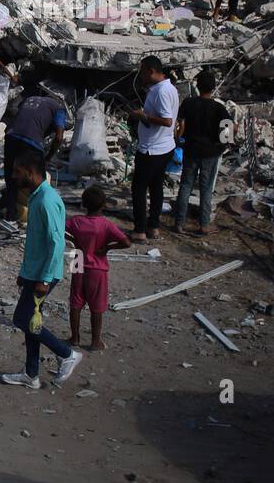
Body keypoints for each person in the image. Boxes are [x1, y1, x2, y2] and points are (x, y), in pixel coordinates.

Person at [1, 147, 83, 389]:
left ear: (30, 172)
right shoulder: (37, 195)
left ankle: (66, 354)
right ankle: (31, 374)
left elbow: (56, 242)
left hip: (44, 274)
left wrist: (45, 279)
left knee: (22, 319)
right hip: (34, 271)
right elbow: (36, 240)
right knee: (30, 320)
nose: (14, 176)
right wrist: (24, 273)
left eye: (18, 172)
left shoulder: (47, 200)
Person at [66, 186, 129, 351]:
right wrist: (107, 248)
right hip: (97, 267)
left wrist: (74, 240)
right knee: (97, 306)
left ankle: (75, 338)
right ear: (104, 205)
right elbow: (126, 242)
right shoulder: (107, 225)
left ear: (84, 204)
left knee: (76, 302)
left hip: (79, 260)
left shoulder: (75, 221)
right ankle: (95, 341)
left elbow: (59, 229)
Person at [0, 87, 67, 222]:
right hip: (31, 141)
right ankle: (37, 215)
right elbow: (58, 137)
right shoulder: (59, 108)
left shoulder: (29, 99)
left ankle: (10, 215)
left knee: (12, 176)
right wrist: (48, 157)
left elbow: (22, 117)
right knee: (36, 179)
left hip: (11, 136)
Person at [128, 55, 179, 242]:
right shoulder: (168, 88)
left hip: (152, 150)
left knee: (139, 189)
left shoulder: (161, 91)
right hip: (164, 147)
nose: (140, 76)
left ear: (151, 71)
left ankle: (140, 230)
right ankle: (153, 226)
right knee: (156, 187)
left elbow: (167, 120)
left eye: (142, 71)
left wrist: (143, 116)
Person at [173, 70, 230, 236]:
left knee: (185, 185)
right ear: (213, 88)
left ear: (197, 86)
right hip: (210, 153)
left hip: (190, 150)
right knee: (206, 188)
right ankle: (204, 225)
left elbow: (180, 125)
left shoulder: (188, 103)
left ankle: (179, 223)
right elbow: (228, 131)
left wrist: (178, 140)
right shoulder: (219, 108)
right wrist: (222, 146)